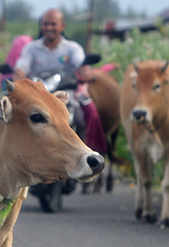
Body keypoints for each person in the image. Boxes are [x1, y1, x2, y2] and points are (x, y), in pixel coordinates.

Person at [13, 9, 107, 153]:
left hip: (66, 92)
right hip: (39, 94)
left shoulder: (72, 48)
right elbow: (20, 68)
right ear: (41, 26)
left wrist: (85, 71)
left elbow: (81, 64)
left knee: (83, 117)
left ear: (62, 26)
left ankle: (85, 154)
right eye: (45, 24)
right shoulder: (31, 48)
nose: (49, 27)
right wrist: (17, 83)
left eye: (53, 24)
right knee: (16, 117)